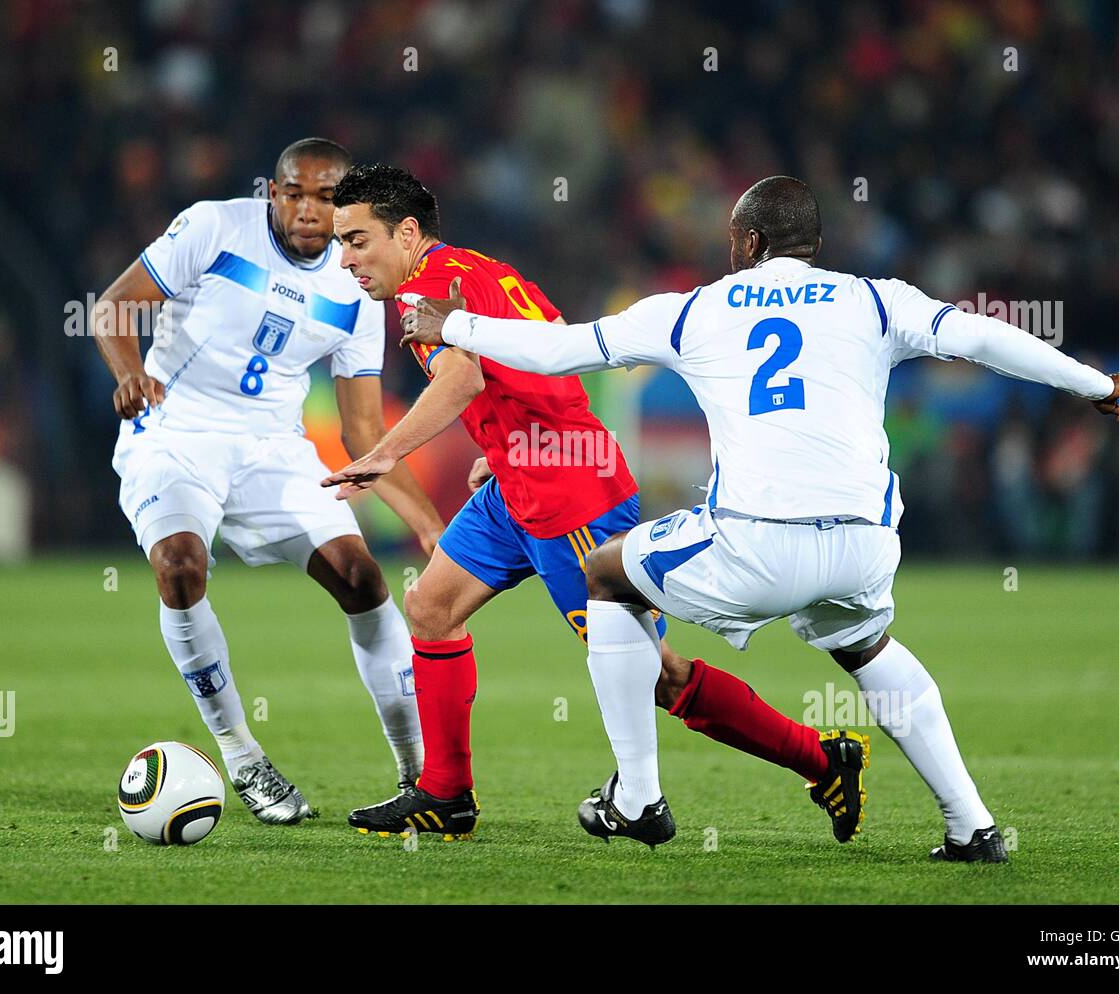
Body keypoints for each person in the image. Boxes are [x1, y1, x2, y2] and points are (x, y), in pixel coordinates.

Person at [398, 175, 1119, 860]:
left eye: (733, 240)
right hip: (862, 547)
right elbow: (984, 336)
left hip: (754, 546)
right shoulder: (876, 299)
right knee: (868, 646)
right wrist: (1092, 382)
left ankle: (636, 796)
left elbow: (558, 350)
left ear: (748, 244)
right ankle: (972, 825)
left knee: (605, 571)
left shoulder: (697, 309)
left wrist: (455, 324)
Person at [324, 165, 865, 845]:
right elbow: (549, 350)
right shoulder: (481, 269)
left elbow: (462, 376)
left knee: (658, 677)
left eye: (358, 240)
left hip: (568, 496)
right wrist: (506, 438)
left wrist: (386, 451)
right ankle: (445, 795)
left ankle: (823, 761)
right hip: (518, 485)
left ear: (406, 233)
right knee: (431, 608)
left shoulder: (431, 291)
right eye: (342, 242)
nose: (345, 258)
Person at [94, 139, 443, 824]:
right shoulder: (213, 227)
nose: (308, 209)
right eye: (294, 193)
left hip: (272, 452)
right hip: (175, 431)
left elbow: (364, 432)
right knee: (180, 565)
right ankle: (243, 757)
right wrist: (130, 373)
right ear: (272, 193)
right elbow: (114, 306)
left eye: (325, 197)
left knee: (363, 580)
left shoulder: (358, 289)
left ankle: (417, 775)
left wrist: (428, 523)